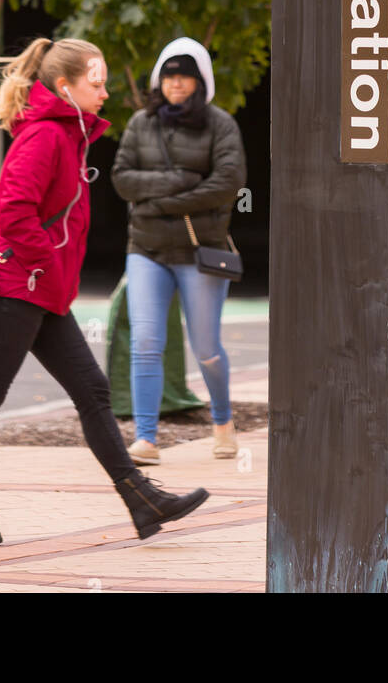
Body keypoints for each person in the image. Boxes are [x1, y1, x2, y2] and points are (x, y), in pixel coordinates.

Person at [0, 36, 209, 548]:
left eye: (104, 82)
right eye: (95, 83)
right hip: (16, 289)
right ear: (64, 86)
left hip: (40, 292)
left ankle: (141, 499)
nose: (104, 92)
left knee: (93, 392)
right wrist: (45, 262)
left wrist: (49, 273)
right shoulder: (47, 137)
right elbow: (11, 211)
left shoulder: (68, 134)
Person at [111, 36, 247, 464]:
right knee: (146, 342)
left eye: (185, 76)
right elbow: (122, 179)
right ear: (159, 80)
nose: (177, 84)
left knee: (206, 346)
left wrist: (163, 204)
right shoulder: (140, 124)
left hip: (199, 251)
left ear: (200, 81)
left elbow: (228, 182)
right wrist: (178, 182)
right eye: (170, 76)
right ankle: (146, 438)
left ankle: (223, 422)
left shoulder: (221, 124)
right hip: (146, 249)